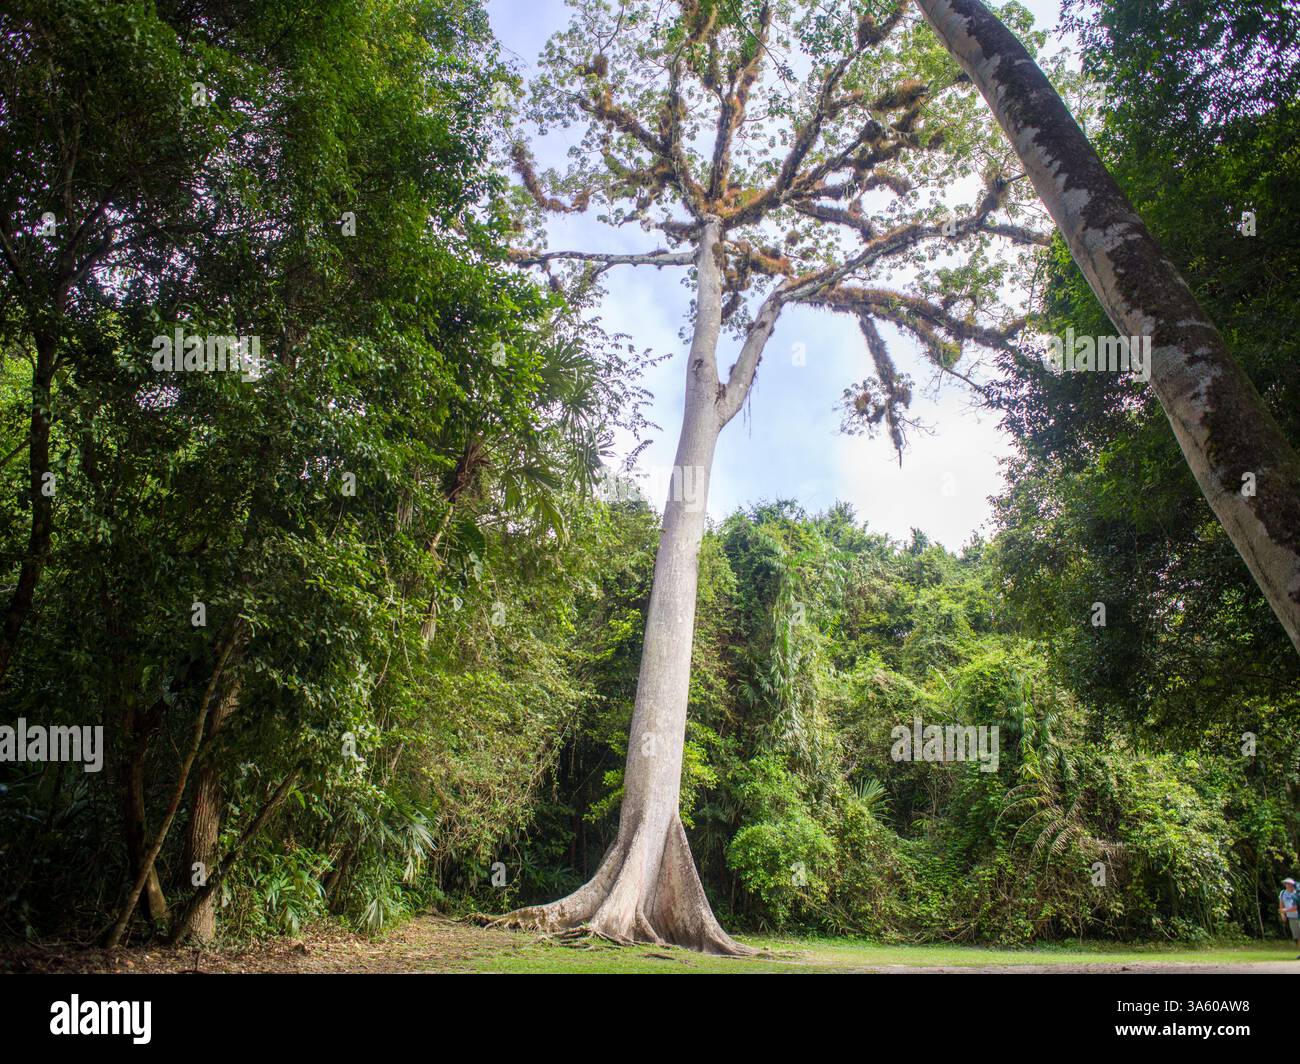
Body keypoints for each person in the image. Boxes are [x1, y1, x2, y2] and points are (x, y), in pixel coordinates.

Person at [1280, 877, 1299, 958]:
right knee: (1297, 936)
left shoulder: (1297, 893)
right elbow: (1281, 904)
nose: (1288, 885)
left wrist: (1285, 910)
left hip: (1298, 916)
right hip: (1291, 917)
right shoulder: (1283, 893)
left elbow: (1296, 907)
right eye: (1286, 883)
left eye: (1289, 883)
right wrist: (1282, 914)